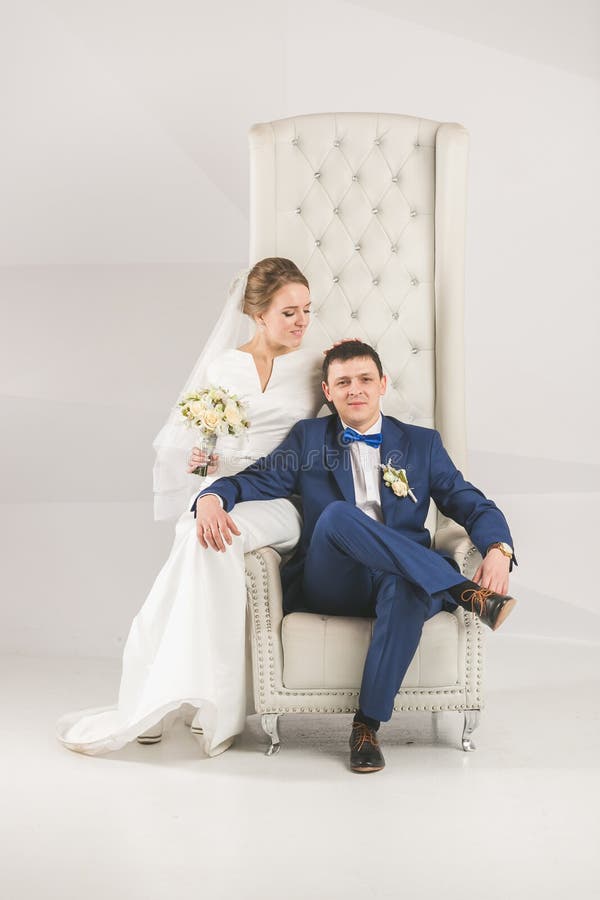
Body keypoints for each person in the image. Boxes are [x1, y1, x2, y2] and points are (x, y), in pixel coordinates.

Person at [192, 339, 519, 774]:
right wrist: (212, 496)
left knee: (407, 587)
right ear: (328, 392)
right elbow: (258, 480)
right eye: (343, 382)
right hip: (333, 579)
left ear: (382, 384)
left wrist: (499, 548)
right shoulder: (308, 438)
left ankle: (366, 727)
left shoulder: (421, 444)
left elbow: (470, 502)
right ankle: (463, 592)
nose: (355, 390)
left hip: (400, 578)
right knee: (336, 515)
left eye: (365, 379)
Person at [56, 258, 324, 758]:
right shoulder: (224, 366)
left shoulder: (316, 366)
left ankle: (178, 699)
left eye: (307, 309)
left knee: (212, 537)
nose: (302, 321)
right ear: (258, 314)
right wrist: (206, 474)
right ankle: (187, 699)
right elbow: (204, 445)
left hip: (283, 502)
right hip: (222, 492)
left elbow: (354, 412)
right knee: (197, 537)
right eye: (289, 312)